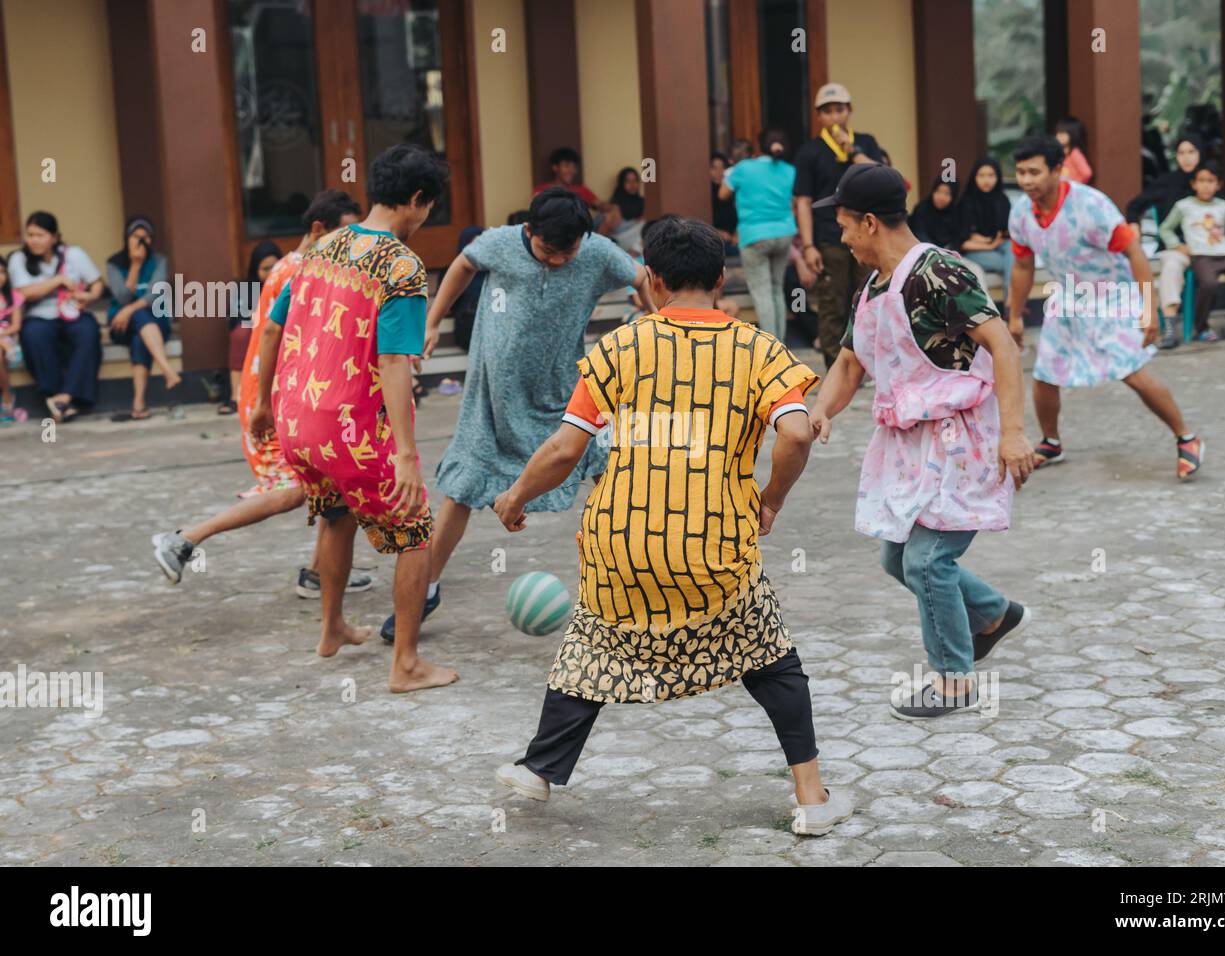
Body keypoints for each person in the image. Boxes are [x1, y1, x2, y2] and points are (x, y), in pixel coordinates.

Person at [492, 215, 852, 835]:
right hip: (712, 544)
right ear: (720, 280)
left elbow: (563, 449)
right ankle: (812, 799)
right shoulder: (757, 349)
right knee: (770, 660)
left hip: (620, 544)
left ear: (653, 281)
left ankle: (540, 769)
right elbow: (796, 431)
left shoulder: (619, 348)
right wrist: (772, 499)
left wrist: (514, 496)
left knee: (593, 645)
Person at [808, 163, 1035, 719]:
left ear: (868, 222)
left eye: (841, 226)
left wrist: (1013, 432)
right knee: (896, 557)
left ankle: (955, 681)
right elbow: (849, 361)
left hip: (961, 440)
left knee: (928, 562)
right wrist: (820, 410)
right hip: (910, 446)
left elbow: (1002, 345)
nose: (839, 238)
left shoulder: (939, 273)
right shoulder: (872, 288)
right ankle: (992, 613)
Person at [391, 188, 653, 642]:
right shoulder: (502, 243)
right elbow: (463, 265)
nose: (556, 261)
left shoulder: (595, 254)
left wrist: (659, 320)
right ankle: (425, 589)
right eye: (548, 251)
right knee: (461, 489)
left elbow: (642, 275)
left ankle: (633, 589)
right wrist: (433, 321)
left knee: (611, 475)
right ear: (529, 231)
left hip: (561, 395)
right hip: (490, 398)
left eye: (566, 253)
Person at [249, 144, 458, 693]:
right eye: (427, 208)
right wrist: (407, 456)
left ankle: (332, 628)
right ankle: (407, 664)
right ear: (416, 199)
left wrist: (265, 405)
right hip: (352, 431)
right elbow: (393, 361)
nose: (424, 219)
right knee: (416, 533)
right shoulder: (402, 266)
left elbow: (272, 328)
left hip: (299, 422)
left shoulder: (321, 247)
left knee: (337, 515)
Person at [151, 190, 373, 599]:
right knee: (293, 491)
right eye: (346, 234)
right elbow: (279, 337)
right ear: (319, 230)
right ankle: (184, 540)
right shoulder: (301, 271)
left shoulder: (299, 265)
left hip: (287, 397)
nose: (353, 245)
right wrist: (265, 405)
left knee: (330, 486)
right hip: (275, 401)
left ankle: (319, 574)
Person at [1005, 135, 1203, 480]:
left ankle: (1187, 438)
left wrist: (1149, 309)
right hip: (1068, 297)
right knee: (1045, 374)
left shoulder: (1092, 206)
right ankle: (1051, 443)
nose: (1026, 181)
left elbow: (1135, 253)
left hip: (1113, 296)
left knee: (1132, 373)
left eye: (1034, 172)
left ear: (1056, 170)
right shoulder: (1022, 212)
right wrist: (1014, 316)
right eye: (1020, 172)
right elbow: (1022, 266)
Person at [794, 82, 885, 368]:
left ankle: (870, 364)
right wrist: (808, 246)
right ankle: (837, 368)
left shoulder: (866, 142)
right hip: (830, 239)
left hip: (869, 237)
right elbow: (803, 201)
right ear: (819, 116)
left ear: (849, 111)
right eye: (828, 111)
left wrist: (852, 150)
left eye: (840, 110)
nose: (835, 116)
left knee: (870, 302)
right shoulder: (809, 151)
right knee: (832, 305)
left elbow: (882, 175)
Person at [7, 212, 104, 423]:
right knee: (33, 334)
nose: (33, 240)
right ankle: (55, 395)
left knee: (88, 331)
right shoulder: (19, 258)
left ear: (54, 237)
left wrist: (87, 296)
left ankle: (64, 397)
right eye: (30, 235)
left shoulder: (74, 254)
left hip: (72, 313)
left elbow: (97, 284)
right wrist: (58, 280)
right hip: (39, 316)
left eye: (40, 235)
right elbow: (23, 293)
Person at [1159, 161, 1225, 342]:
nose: (1206, 185)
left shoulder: (1223, 205)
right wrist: (1177, 245)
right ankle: (1201, 327)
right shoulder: (1183, 206)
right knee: (1210, 285)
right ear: (1193, 184)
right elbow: (1165, 228)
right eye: (1201, 181)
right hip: (1201, 256)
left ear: (1219, 184)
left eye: (1211, 181)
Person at [718, 128, 797, 340]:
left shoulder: (744, 168)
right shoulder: (789, 170)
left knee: (762, 293)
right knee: (776, 289)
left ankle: (771, 346)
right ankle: (781, 342)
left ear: (759, 146)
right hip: (784, 233)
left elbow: (723, 193)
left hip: (754, 235)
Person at [1125, 134, 1202, 348]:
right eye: (1181, 153)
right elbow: (1134, 205)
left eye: (1192, 152)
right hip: (1174, 247)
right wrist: (1134, 226)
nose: (1186, 158)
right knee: (1171, 266)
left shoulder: (1209, 180)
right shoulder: (1167, 182)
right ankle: (1169, 325)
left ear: (1200, 154)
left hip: (1208, 249)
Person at [103, 216, 180, 421]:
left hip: (155, 320)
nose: (141, 242)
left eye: (146, 237)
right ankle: (167, 369)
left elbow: (155, 293)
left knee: (140, 338)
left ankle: (138, 403)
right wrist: (135, 266)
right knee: (139, 316)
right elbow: (122, 296)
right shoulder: (114, 263)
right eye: (136, 237)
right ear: (126, 238)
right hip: (121, 325)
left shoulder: (159, 261)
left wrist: (129, 309)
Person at [218, 241, 281, 415]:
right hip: (255, 333)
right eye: (265, 268)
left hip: (281, 333)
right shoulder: (247, 288)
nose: (270, 272)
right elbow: (236, 318)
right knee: (240, 334)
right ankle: (234, 395)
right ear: (256, 269)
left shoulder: (287, 285)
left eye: (275, 267)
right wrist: (258, 322)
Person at [958, 158, 1015, 311]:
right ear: (974, 177)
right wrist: (990, 244)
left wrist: (992, 242)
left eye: (991, 175)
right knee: (1011, 263)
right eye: (981, 175)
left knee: (1011, 248)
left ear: (997, 177)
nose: (986, 180)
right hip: (973, 253)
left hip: (999, 248)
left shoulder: (1003, 200)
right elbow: (963, 241)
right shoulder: (966, 202)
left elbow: (1005, 233)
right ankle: (1012, 306)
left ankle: (1010, 300)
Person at [533, 147, 615, 237]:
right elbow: (540, 213)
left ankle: (593, 245)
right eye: (567, 166)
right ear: (555, 167)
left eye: (574, 167)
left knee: (608, 216)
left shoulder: (582, 190)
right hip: (557, 231)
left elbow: (600, 205)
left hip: (583, 230)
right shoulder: (542, 190)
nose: (571, 171)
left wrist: (613, 208)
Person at [908, 177, 963, 250]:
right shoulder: (922, 209)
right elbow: (919, 233)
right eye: (938, 191)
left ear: (953, 196)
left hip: (948, 253)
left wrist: (947, 250)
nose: (941, 197)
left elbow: (957, 239)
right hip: (924, 251)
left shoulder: (956, 213)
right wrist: (935, 250)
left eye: (947, 193)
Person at [0, 260, 24, 423]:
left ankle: (7, 396)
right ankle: (7, 397)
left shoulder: (13, 296)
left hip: (7, 336)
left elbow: (16, 326)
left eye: (2, 272)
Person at [607, 166, 645, 255]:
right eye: (628, 181)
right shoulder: (614, 205)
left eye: (635, 181)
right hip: (616, 242)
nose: (632, 184)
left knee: (647, 226)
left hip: (634, 240)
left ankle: (632, 257)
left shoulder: (642, 202)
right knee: (645, 226)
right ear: (621, 183)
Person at [710, 151, 740, 250]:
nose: (719, 172)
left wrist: (737, 232)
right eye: (714, 168)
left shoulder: (730, 190)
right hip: (715, 240)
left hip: (735, 238)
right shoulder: (706, 193)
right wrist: (717, 232)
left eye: (722, 167)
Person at [1055, 117, 1092, 184]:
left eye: (1062, 132)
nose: (1059, 135)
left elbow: (1087, 173)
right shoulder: (1061, 153)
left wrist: (1073, 185)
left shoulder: (1074, 153)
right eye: (1058, 132)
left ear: (1073, 133)